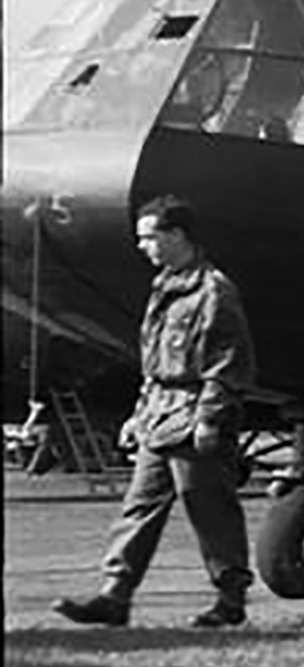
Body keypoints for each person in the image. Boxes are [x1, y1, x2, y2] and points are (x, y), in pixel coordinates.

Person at [56, 197, 257, 629]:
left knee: (209, 508)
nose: (143, 246)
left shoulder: (213, 291)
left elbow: (227, 364)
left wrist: (209, 419)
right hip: (159, 415)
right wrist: (138, 413)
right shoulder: (165, 285)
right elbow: (155, 361)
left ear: (177, 235)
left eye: (150, 237)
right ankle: (115, 596)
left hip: (193, 416)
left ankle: (230, 598)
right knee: (139, 506)